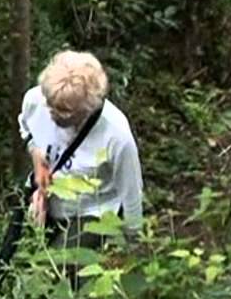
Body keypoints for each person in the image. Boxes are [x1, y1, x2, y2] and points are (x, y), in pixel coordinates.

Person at [17, 50, 143, 257]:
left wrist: (131, 246)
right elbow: (26, 127)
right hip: (49, 205)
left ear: (88, 107)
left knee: (60, 262)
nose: (54, 114)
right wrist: (38, 160)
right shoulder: (35, 101)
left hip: (92, 211)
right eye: (51, 106)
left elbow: (131, 192)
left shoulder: (116, 134)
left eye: (65, 111)